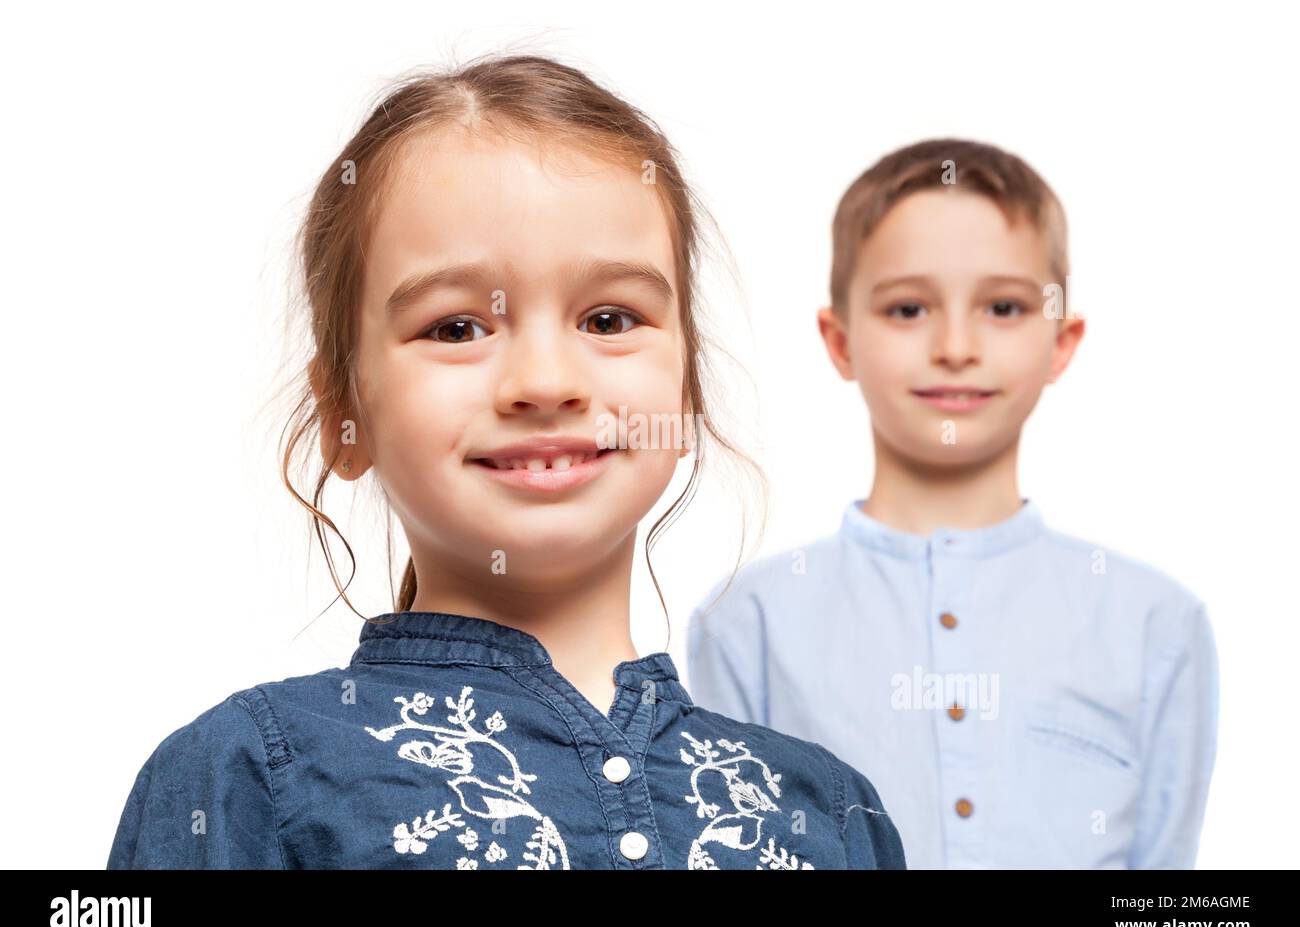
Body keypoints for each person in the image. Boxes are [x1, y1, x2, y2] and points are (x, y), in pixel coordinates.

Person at [106, 54, 905, 871]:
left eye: (608, 317)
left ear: (687, 387)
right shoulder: (245, 776)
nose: (546, 383)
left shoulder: (831, 812)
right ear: (343, 415)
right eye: (456, 328)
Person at [687, 139, 1219, 869]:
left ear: (1061, 342)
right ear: (840, 341)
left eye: (1003, 306)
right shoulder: (747, 624)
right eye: (908, 308)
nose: (956, 345)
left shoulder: (1157, 623)